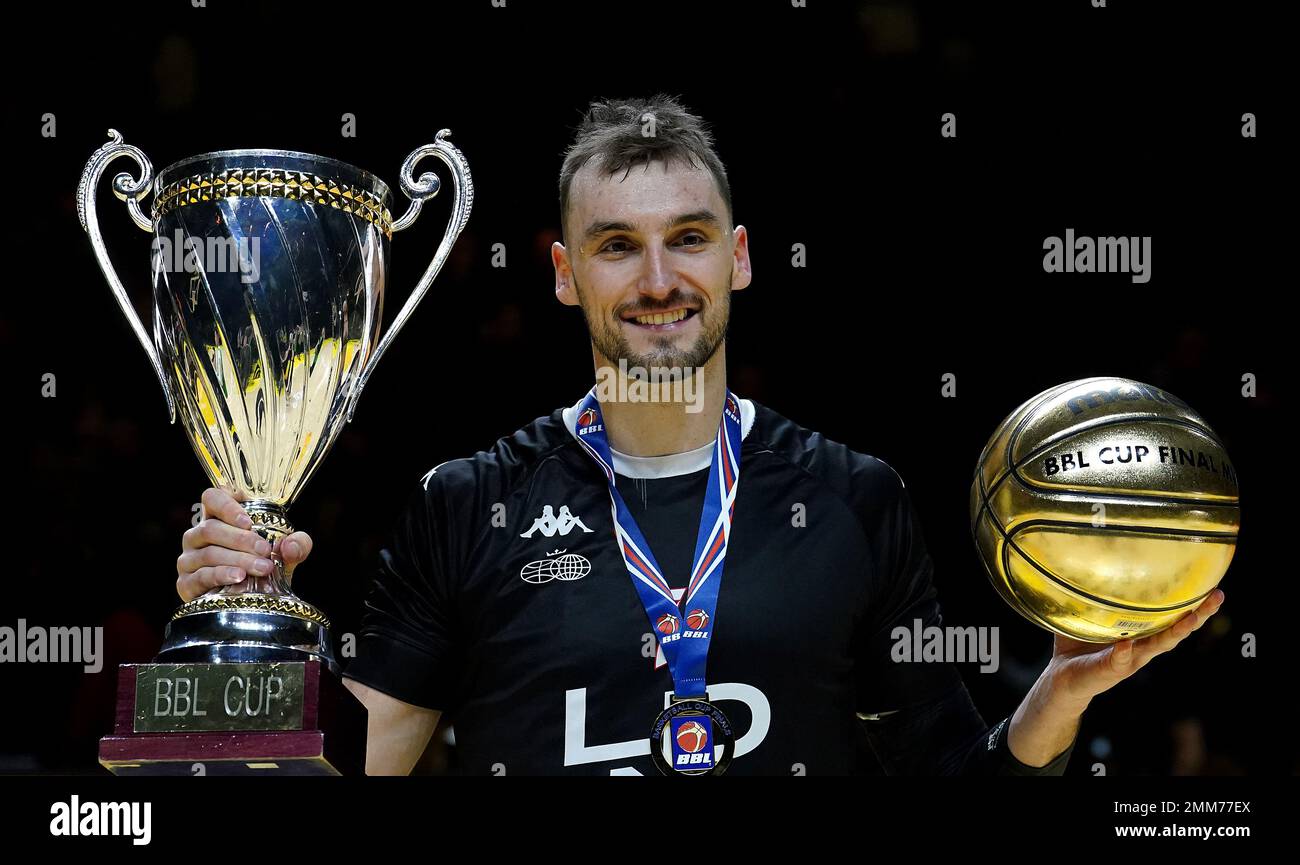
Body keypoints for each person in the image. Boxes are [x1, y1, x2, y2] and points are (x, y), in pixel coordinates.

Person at [175, 95, 1225, 775]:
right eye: (616, 246)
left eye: (687, 240)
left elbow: (955, 779)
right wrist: (242, 631)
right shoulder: (467, 502)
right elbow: (351, 766)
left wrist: (1055, 696)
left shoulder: (855, 497)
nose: (659, 279)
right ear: (561, 272)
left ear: (741, 257)